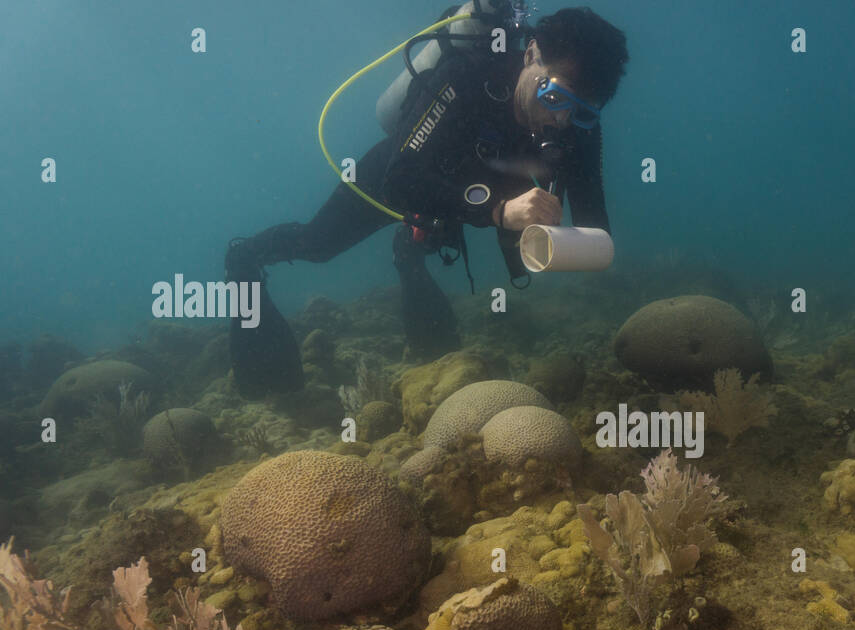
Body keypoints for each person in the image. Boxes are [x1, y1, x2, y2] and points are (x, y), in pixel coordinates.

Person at [224, 6, 628, 398]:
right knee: (318, 245)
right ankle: (244, 257)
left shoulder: (577, 123)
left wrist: (575, 245)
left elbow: (596, 228)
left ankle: (412, 244)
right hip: (406, 169)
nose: (559, 122)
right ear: (530, 54)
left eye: (581, 112)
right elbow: (400, 180)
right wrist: (498, 212)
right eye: (555, 97)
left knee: (427, 239)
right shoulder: (467, 77)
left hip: (474, 199)